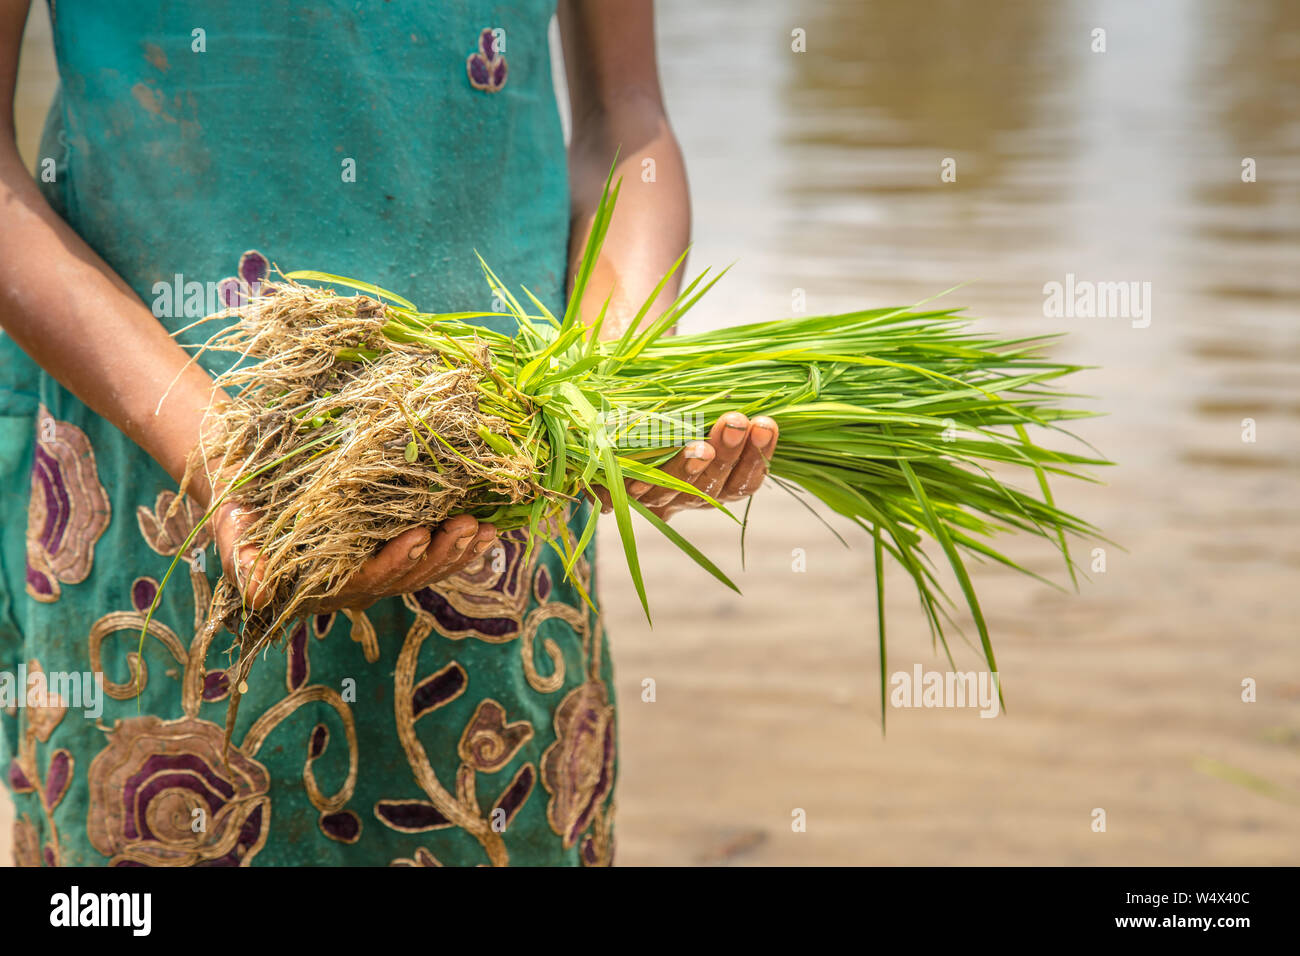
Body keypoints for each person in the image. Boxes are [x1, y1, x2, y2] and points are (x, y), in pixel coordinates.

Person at [0, 0, 776, 866]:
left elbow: (627, 123)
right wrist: (218, 450)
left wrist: (607, 395)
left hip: (504, 499)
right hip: (157, 482)